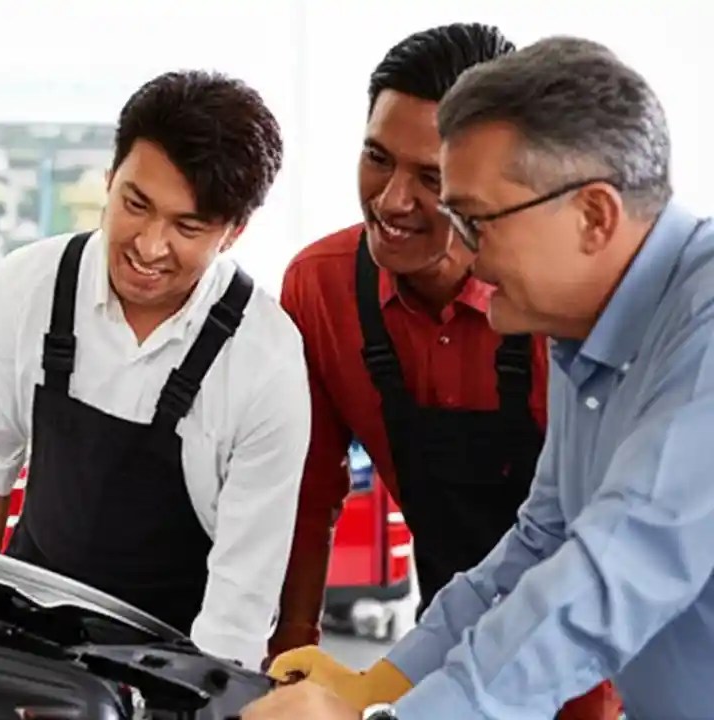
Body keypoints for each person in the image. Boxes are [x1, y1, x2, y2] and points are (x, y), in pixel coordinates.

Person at [247, 34, 714, 719]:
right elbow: (539, 543)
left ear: (592, 216)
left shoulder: (702, 333)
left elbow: (613, 574)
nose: (461, 250)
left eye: (474, 220)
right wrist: (388, 679)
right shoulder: (576, 331)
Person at [0, 69, 312, 669]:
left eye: (187, 227)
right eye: (135, 205)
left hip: (175, 651)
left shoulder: (265, 363)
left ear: (233, 232)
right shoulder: (24, 289)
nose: (148, 246)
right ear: (111, 178)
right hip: (27, 616)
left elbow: (241, 597)